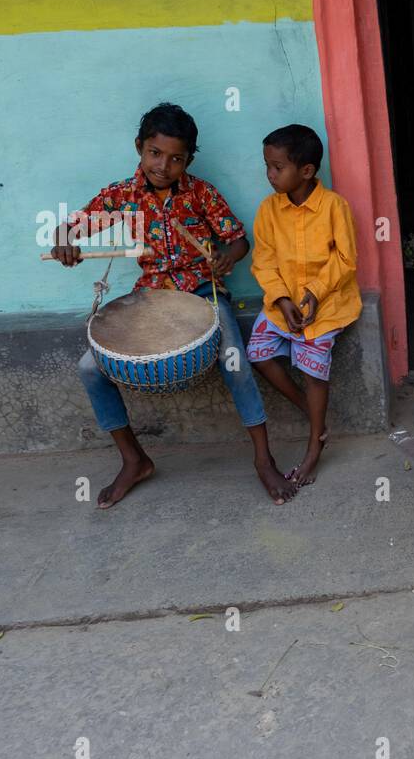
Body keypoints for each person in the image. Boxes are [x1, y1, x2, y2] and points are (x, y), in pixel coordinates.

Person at [51, 102, 296, 507]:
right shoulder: (122, 196)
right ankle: (134, 459)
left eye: (176, 158)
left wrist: (227, 257)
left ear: (188, 160)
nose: (163, 166)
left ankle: (263, 460)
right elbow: (73, 224)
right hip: (152, 297)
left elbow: (238, 239)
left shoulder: (200, 193)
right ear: (139, 148)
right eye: (154, 153)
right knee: (89, 368)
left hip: (203, 293)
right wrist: (66, 240)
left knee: (234, 359)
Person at [246, 125, 362, 485]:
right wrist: (282, 300)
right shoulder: (268, 211)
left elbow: (345, 259)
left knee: (314, 369)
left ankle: (314, 447)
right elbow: (263, 261)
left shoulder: (334, 207)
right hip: (282, 304)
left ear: (307, 171)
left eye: (277, 167)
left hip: (327, 305)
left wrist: (312, 293)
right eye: (267, 166)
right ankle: (312, 414)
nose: (270, 174)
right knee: (259, 354)